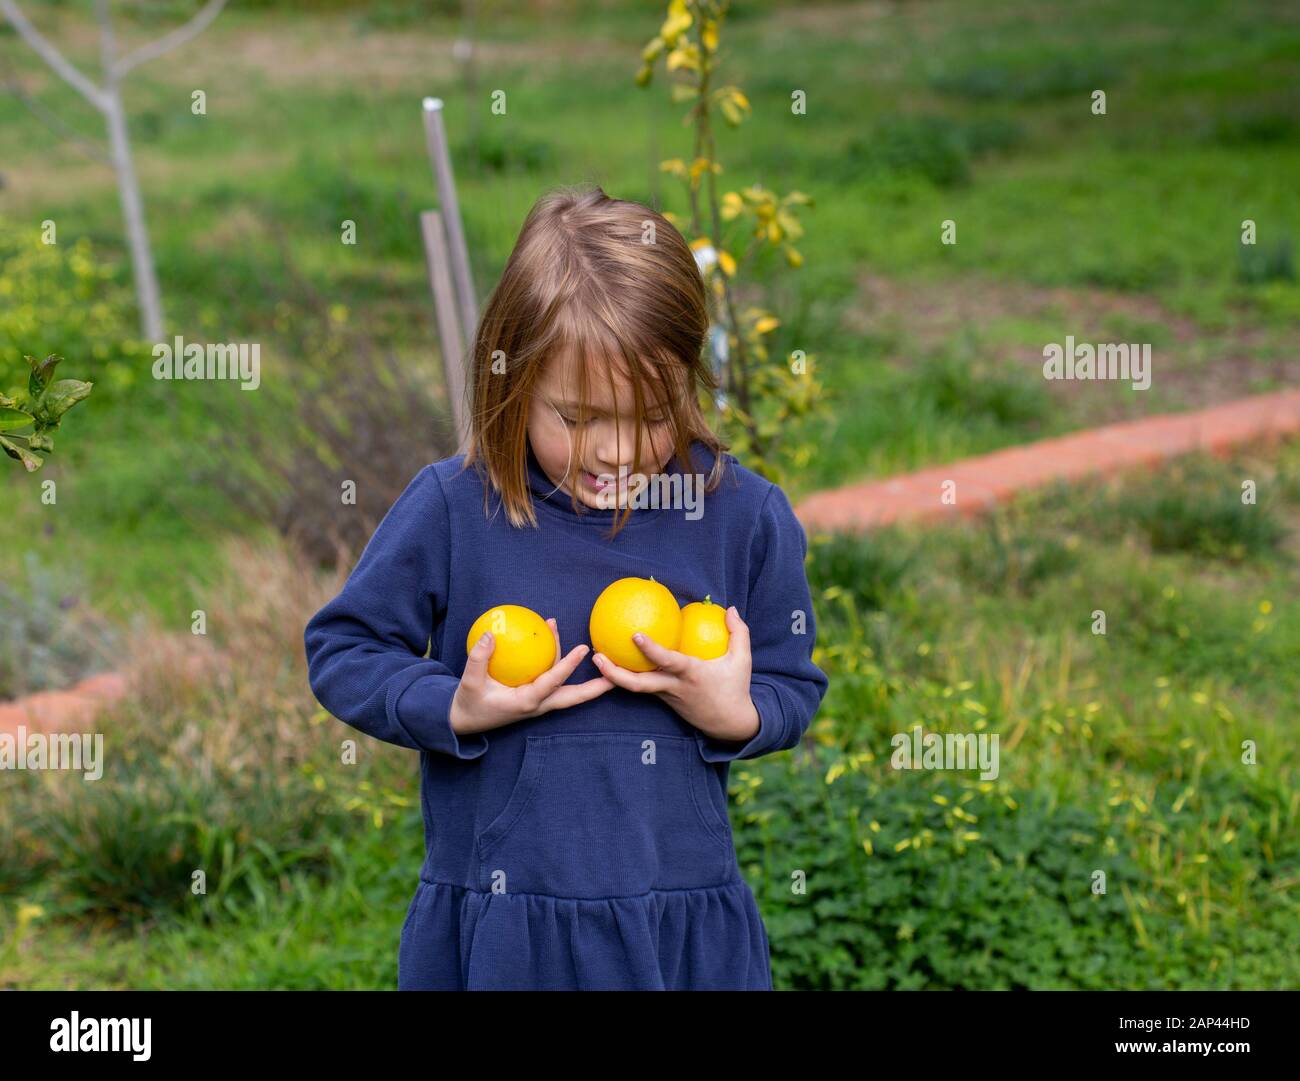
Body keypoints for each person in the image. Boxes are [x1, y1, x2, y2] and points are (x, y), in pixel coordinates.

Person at [303, 184, 829, 990]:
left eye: (651, 416)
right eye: (578, 419)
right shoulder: (457, 507)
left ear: (690, 380)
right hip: (509, 930)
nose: (617, 452)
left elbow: (793, 678)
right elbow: (343, 646)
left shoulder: (740, 515)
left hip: (673, 921)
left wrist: (740, 713)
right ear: (510, 383)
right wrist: (451, 704)